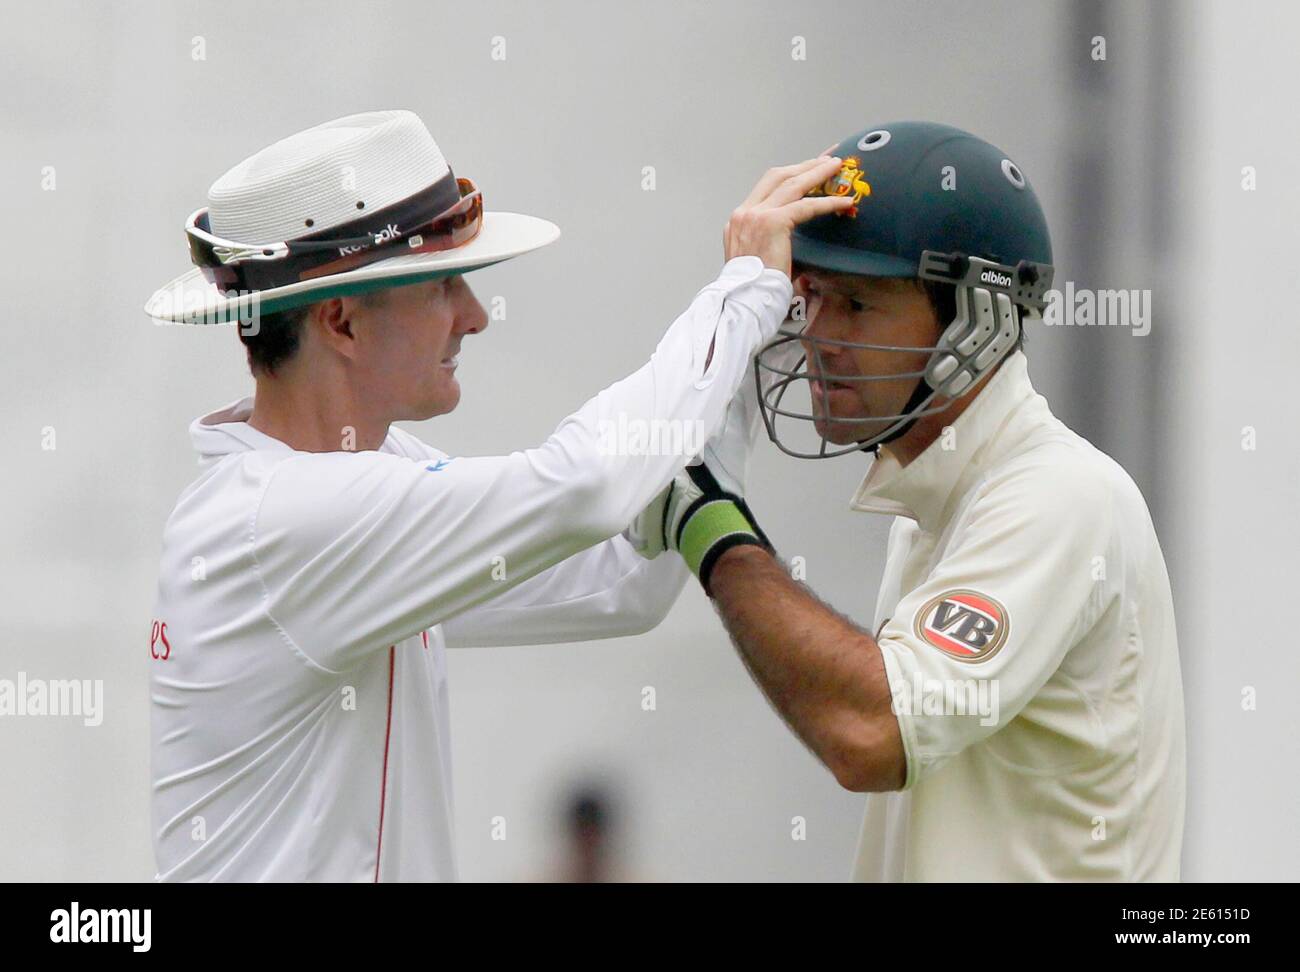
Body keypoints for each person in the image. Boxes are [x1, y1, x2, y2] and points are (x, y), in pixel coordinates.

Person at [143, 109, 853, 881]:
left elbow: (618, 583)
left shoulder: (332, 488)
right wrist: (743, 293)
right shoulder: (289, 516)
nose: (475, 318)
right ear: (341, 321)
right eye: (444, 284)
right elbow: (585, 487)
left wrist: (755, 344)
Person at [630, 121, 1186, 881]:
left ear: (976, 324)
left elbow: (871, 732)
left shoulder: (1058, 496)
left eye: (856, 305)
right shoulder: (942, 505)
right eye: (812, 294)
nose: (818, 335)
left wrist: (710, 521)